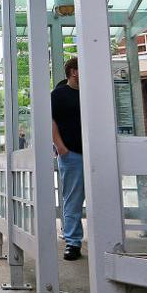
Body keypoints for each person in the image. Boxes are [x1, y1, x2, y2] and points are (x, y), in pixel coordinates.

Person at [51, 56, 84, 261]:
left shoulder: (92, 92)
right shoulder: (59, 94)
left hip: (96, 154)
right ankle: (73, 242)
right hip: (72, 154)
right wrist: (61, 148)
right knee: (72, 200)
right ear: (73, 71)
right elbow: (50, 120)